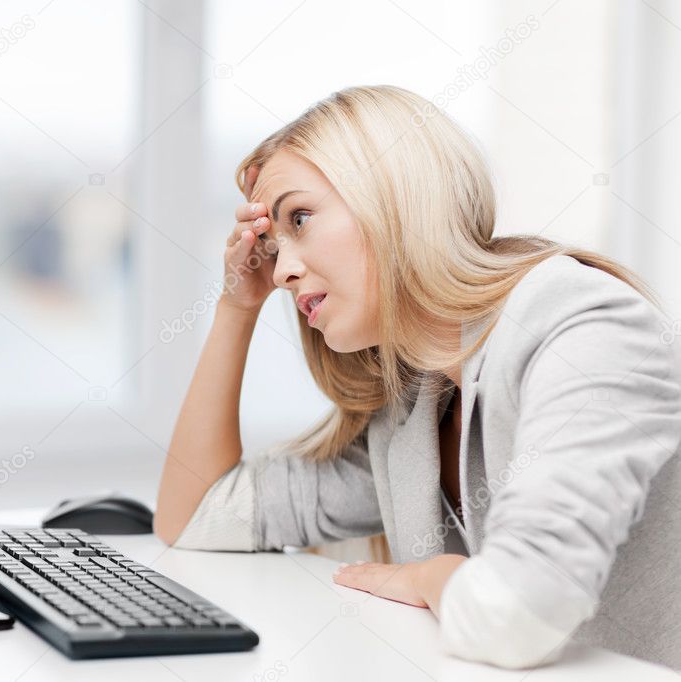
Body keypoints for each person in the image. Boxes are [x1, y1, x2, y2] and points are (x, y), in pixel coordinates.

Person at [152, 84, 681, 670]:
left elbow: (517, 615)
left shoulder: (584, 326)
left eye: (299, 218)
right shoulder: (413, 406)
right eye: (272, 246)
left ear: (394, 197)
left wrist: (434, 575)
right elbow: (195, 515)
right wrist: (235, 307)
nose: (280, 273)